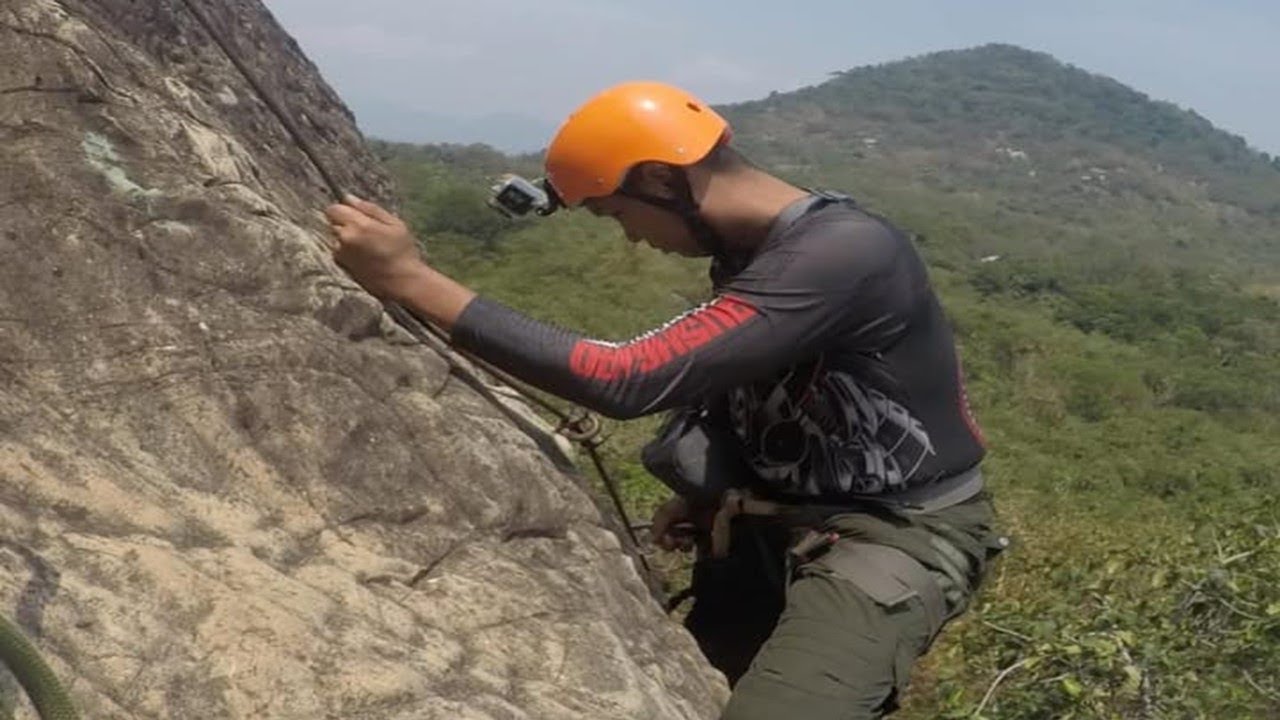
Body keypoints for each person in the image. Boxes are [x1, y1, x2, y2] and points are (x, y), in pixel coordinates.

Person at [324, 81, 1006, 719]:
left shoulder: (846, 250)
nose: (630, 234)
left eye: (619, 213)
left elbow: (630, 376)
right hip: (770, 519)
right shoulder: (752, 253)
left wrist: (409, 279)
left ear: (659, 178)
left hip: (894, 532)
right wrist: (717, 487)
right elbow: (758, 375)